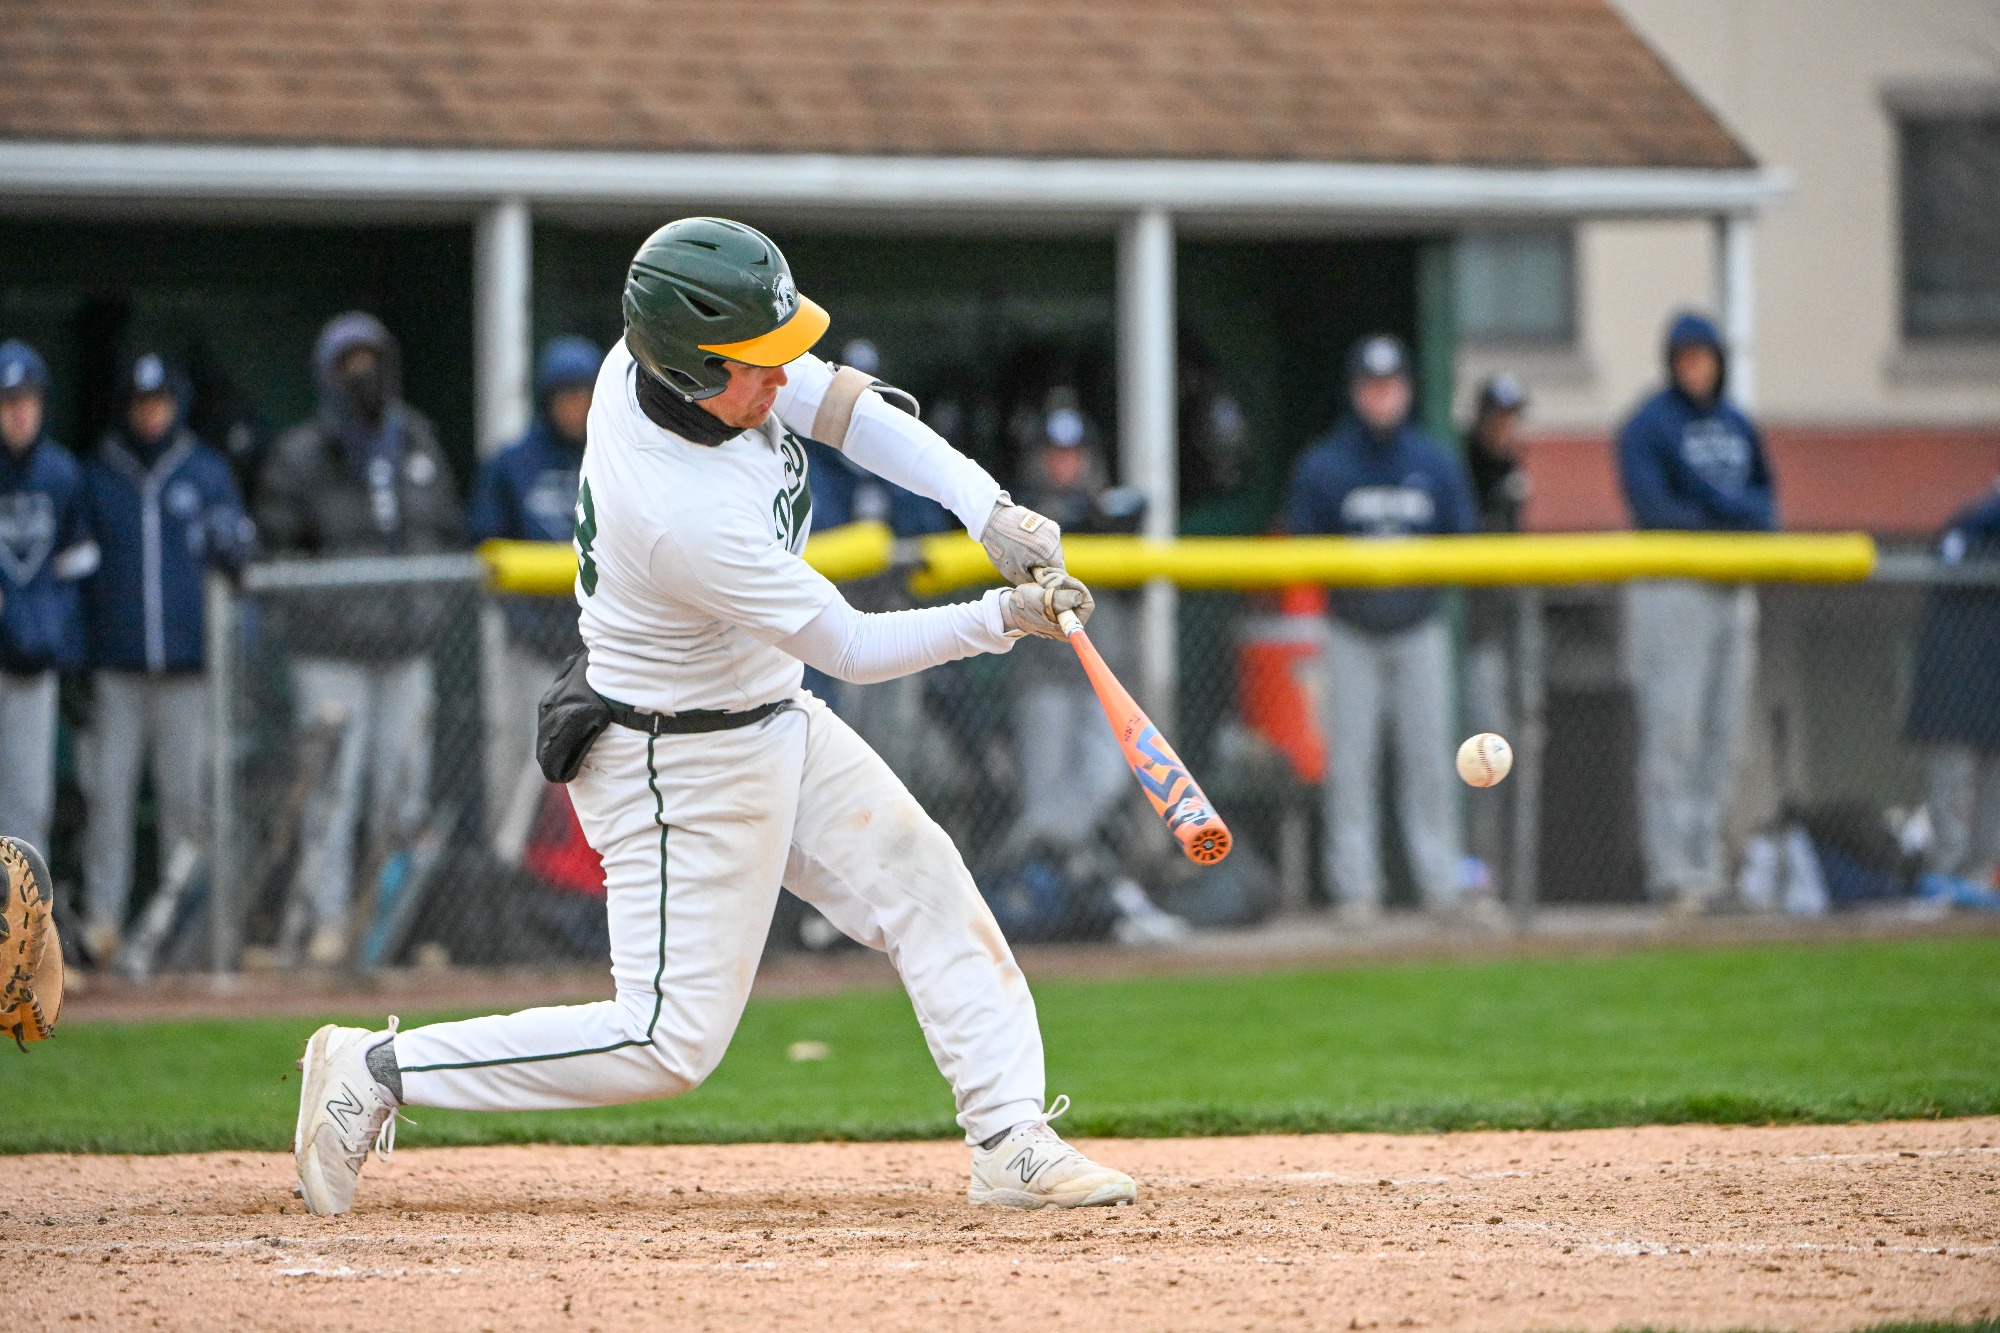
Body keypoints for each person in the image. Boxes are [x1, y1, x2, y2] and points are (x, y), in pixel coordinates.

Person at [290, 217, 1134, 1216]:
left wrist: (982, 507)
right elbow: (852, 649)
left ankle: (1008, 1137)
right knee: (666, 1041)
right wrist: (1000, 618)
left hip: (767, 710)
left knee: (921, 876)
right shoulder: (679, 510)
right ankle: (377, 1069)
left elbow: (850, 408)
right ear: (686, 369)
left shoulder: (690, 370)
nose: (782, 380)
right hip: (673, 759)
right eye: (756, 367)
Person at [256, 313, 466, 966]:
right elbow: (278, 541)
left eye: (372, 359)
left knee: (402, 795)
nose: (364, 376)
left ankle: (386, 931)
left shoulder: (418, 443)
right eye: (349, 364)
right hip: (332, 654)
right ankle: (327, 928)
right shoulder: (302, 453)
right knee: (332, 793)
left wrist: (425, 615)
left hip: (406, 652)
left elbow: (448, 530)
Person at [1286, 334, 1477, 921]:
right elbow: (1298, 545)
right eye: (1371, 387)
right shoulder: (1325, 463)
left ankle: (1442, 888)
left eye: (1391, 386)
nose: (1381, 397)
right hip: (1349, 630)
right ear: (1355, 393)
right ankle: (1356, 891)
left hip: (1419, 628)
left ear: (1407, 391)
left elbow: (1465, 540)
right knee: (1351, 766)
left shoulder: (1433, 461)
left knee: (1429, 765)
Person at [77, 353, 256, 966]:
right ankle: (102, 927)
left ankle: (175, 934)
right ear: (128, 408)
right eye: (141, 404)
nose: (151, 415)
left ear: (176, 406)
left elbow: (242, 557)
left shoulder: (205, 472)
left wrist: (230, 544)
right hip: (116, 671)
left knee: (187, 808)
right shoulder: (101, 475)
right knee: (110, 803)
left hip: (187, 673)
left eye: (161, 403)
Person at [1616, 311, 1774, 911]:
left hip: (1733, 590)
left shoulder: (1736, 424)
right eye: (1684, 357)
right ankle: (1671, 872)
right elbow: (1657, 509)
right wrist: (1724, 510)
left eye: (1703, 356)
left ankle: (1707, 868)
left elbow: (1766, 504)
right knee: (1673, 735)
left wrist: (1720, 510)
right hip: (1674, 589)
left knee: (1723, 738)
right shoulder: (1648, 424)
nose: (1695, 367)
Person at [469, 336, 599, 847]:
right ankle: (515, 868)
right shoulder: (514, 463)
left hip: (601, 646)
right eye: (565, 395)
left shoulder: (615, 457)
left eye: (584, 394)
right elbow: (485, 542)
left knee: (599, 765)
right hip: (531, 645)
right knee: (527, 761)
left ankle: (580, 879)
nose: (575, 406)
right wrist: (518, 617)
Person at [0, 340, 96, 852]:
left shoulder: (61, 473)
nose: (18, 413)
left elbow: (76, 570)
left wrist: (54, 635)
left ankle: (21, 925)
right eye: (7, 401)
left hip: (34, 661)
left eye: (27, 400)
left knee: (27, 802)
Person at [1905, 480, 2000, 897]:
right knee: (1953, 784)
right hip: (1956, 692)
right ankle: (1944, 878)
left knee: (1993, 792)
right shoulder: (1965, 534)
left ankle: (1977, 879)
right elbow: (1951, 548)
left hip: (1993, 694)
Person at [1462, 375, 1530, 887]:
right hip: (1468, 634)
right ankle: (1474, 871)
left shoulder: (1514, 468)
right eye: (1498, 417)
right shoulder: (1462, 463)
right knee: (1477, 751)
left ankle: (1499, 872)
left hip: (1507, 630)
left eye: (1513, 417)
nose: (1506, 428)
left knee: (1506, 750)